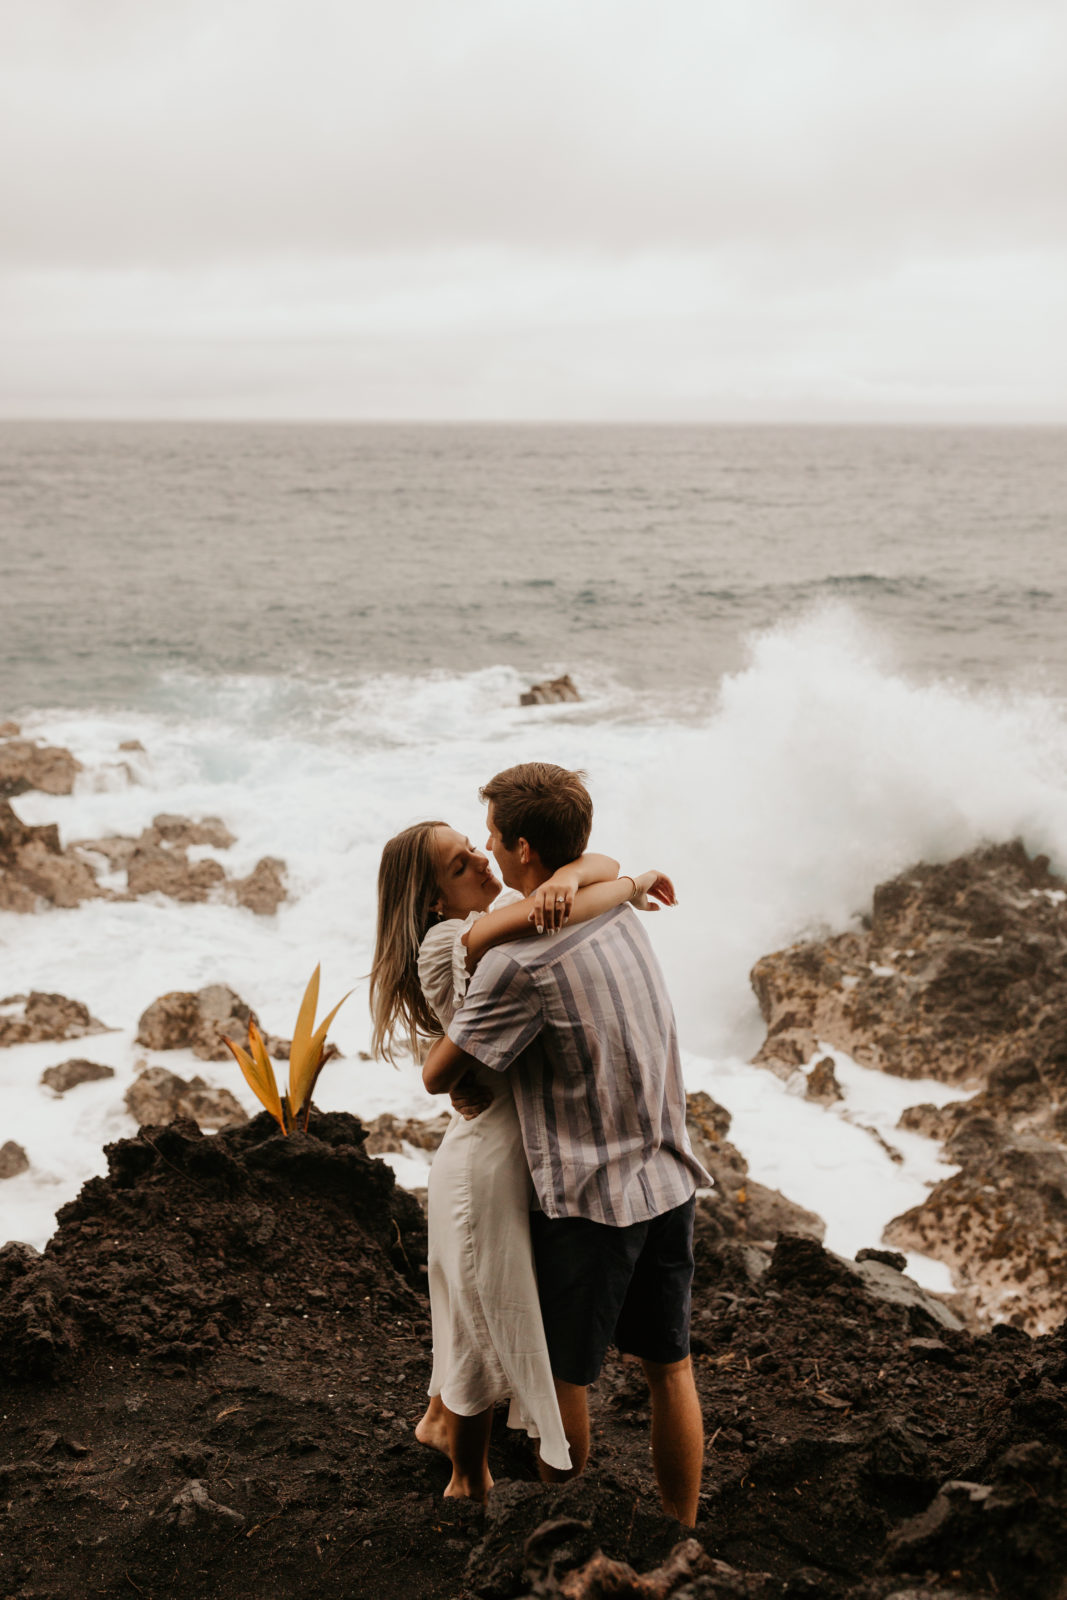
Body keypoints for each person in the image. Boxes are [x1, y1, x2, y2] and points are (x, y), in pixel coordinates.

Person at [421, 763, 708, 1526]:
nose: (484, 850)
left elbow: (442, 1076)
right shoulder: (620, 913)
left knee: (563, 1386)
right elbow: (608, 876)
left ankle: (566, 1541)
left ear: (520, 849)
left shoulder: (515, 964)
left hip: (591, 1203)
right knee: (669, 1372)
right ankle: (681, 1535)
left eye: (488, 836)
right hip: (670, 1175)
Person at [369, 817, 674, 1503]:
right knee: (484, 1316)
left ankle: (444, 1425)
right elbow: (581, 895)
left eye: (473, 845)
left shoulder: (490, 924)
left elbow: (590, 867)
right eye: (457, 864)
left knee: (485, 1309)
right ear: (431, 903)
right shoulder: (456, 939)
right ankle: (466, 1480)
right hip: (485, 1161)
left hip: (514, 1146)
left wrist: (572, 875)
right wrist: (634, 884)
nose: (479, 857)